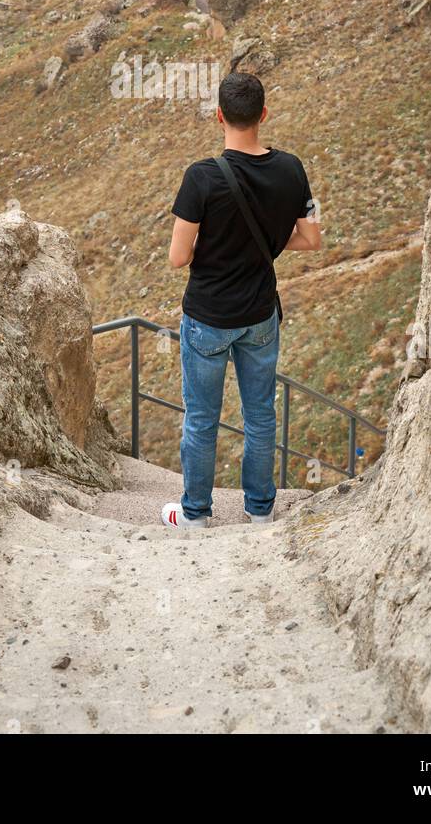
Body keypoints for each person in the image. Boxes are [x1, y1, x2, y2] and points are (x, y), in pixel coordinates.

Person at [163, 71, 320, 529]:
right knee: (260, 416)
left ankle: (194, 515)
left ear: (219, 116)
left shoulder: (201, 177)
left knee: (202, 420)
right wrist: (266, 240)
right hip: (260, 315)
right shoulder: (293, 169)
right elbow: (311, 239)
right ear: (263, 115)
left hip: (208, 317)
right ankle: (260, 511)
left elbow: (178, 258)